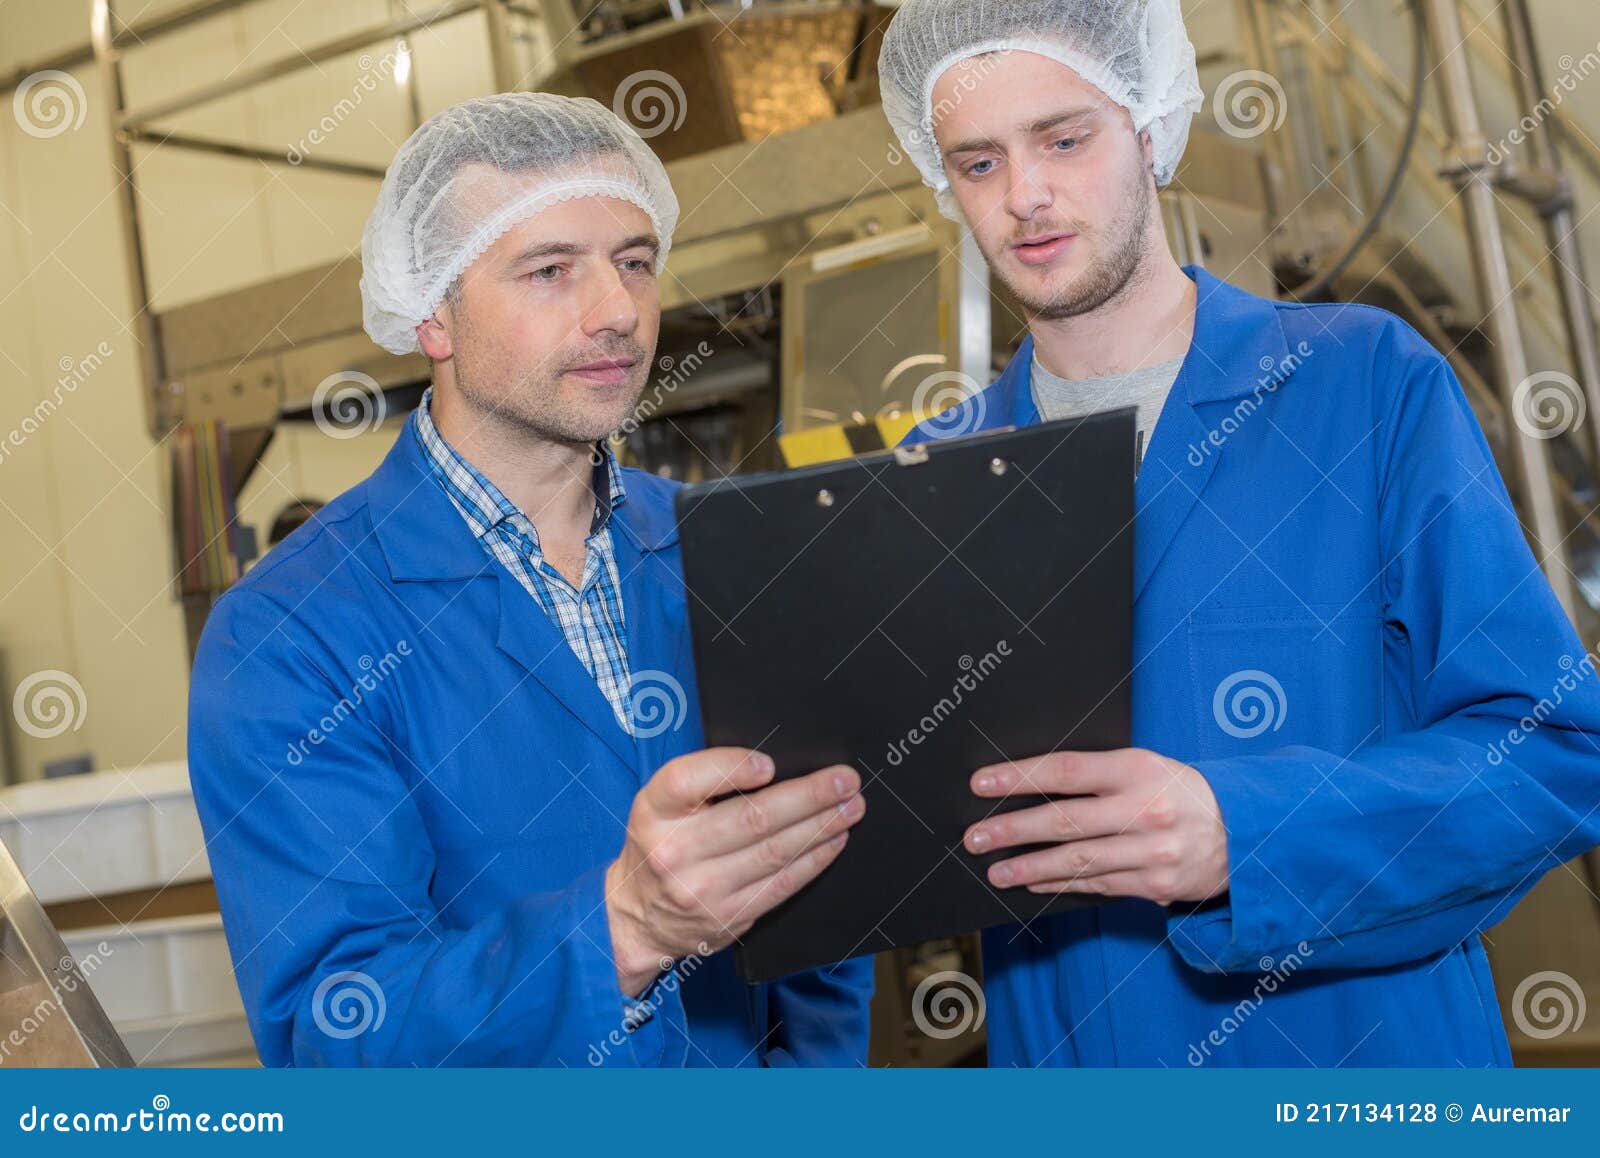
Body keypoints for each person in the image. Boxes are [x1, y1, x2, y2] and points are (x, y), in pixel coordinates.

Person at [879, 0, 1600, 1066]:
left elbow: (1552, 748)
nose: (1024, 195)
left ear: (1153, 129)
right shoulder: (934, 480)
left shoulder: (1358, 385)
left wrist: (1249, 831)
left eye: (1064, 139)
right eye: (977, 163)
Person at [187, 93, 873, 1067]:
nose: (618, 313)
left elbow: (819, 920)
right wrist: (623, 931)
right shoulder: (292, 634)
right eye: (550, 270)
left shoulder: (726, 552)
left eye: (634, 261)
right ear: (433, 310)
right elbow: (333, 1038)